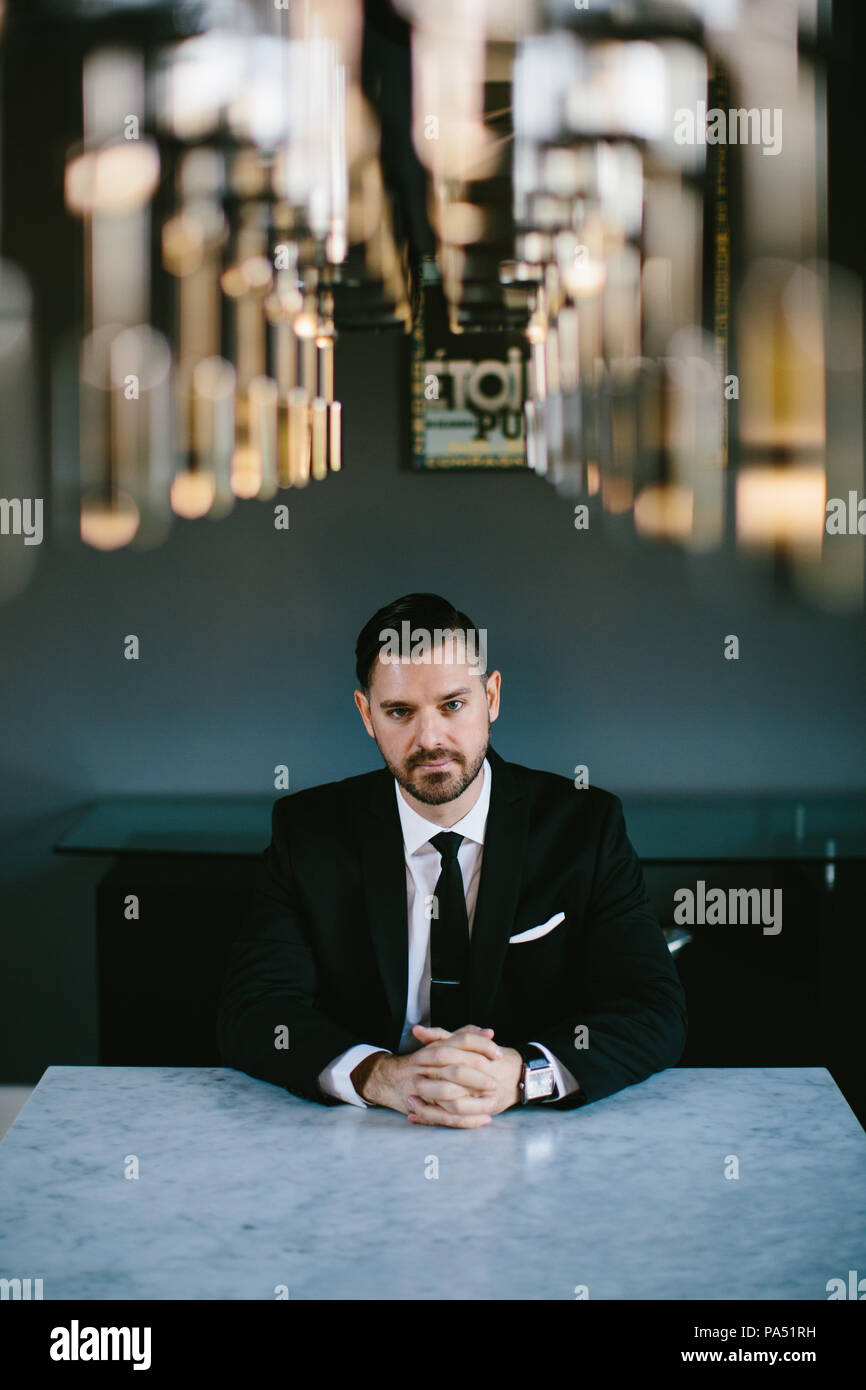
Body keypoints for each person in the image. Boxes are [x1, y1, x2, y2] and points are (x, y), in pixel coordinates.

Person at [217, 592, 687, 1128]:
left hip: (533, 1131)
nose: (430, 738)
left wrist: (519, 1075)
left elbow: (653, 1009)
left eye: (453, 704)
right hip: (370, 1130)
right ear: (366, 714)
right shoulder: (308, 832)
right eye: (400, 712)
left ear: (491, 697)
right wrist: (381, 1076)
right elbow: (255, 1011)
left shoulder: (586, 827)